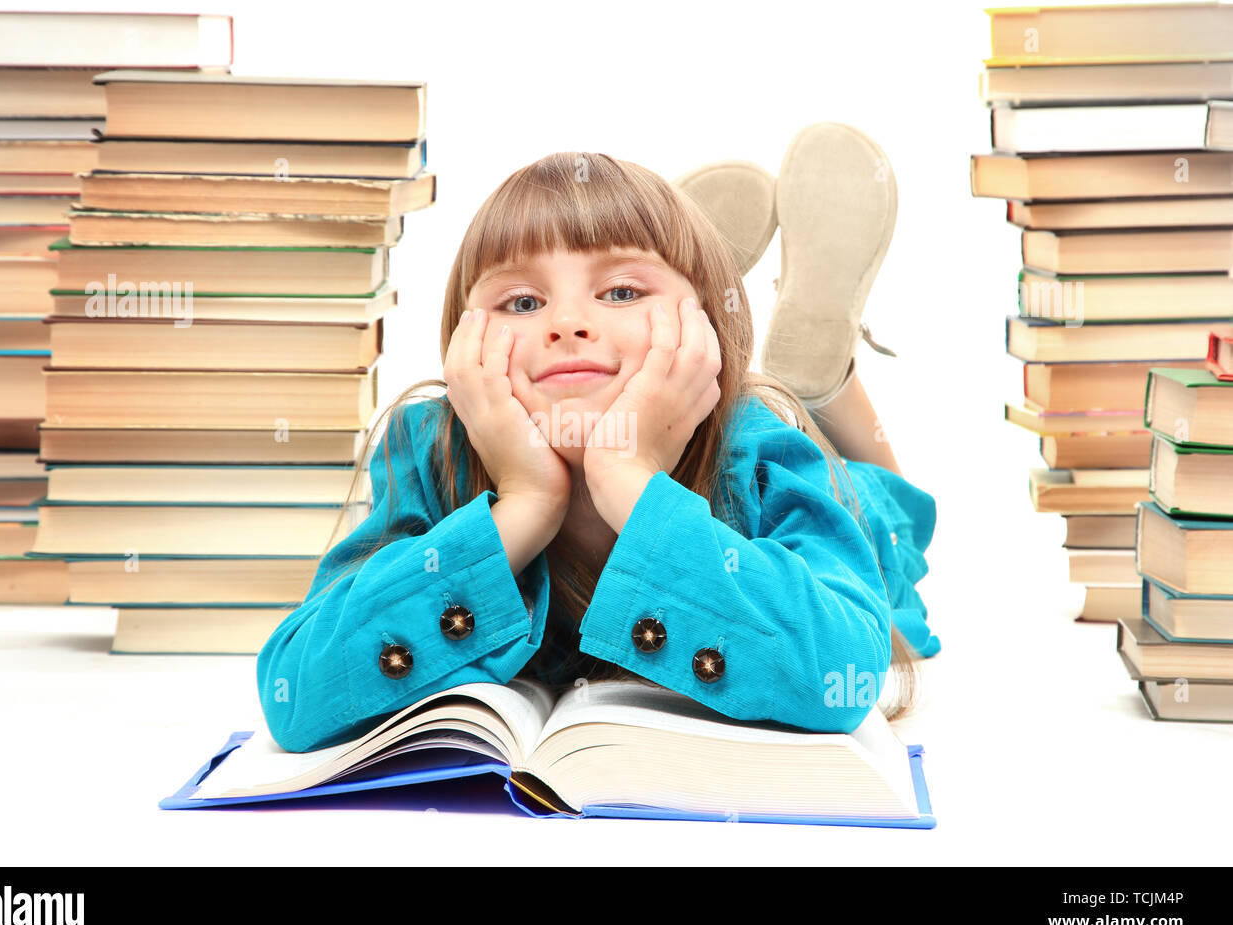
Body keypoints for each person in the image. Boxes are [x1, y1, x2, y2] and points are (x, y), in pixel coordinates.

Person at [256, 150, 938, 755]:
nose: (566, 324)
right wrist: (524, 505)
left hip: (854, 502)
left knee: (887, 512)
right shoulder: (429, 449)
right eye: (523, 301)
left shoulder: (759, 448)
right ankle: (677, 274)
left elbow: (837, 674)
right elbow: (295, 694)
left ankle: (824, 376)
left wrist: (632, 481)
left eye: (617, 292)